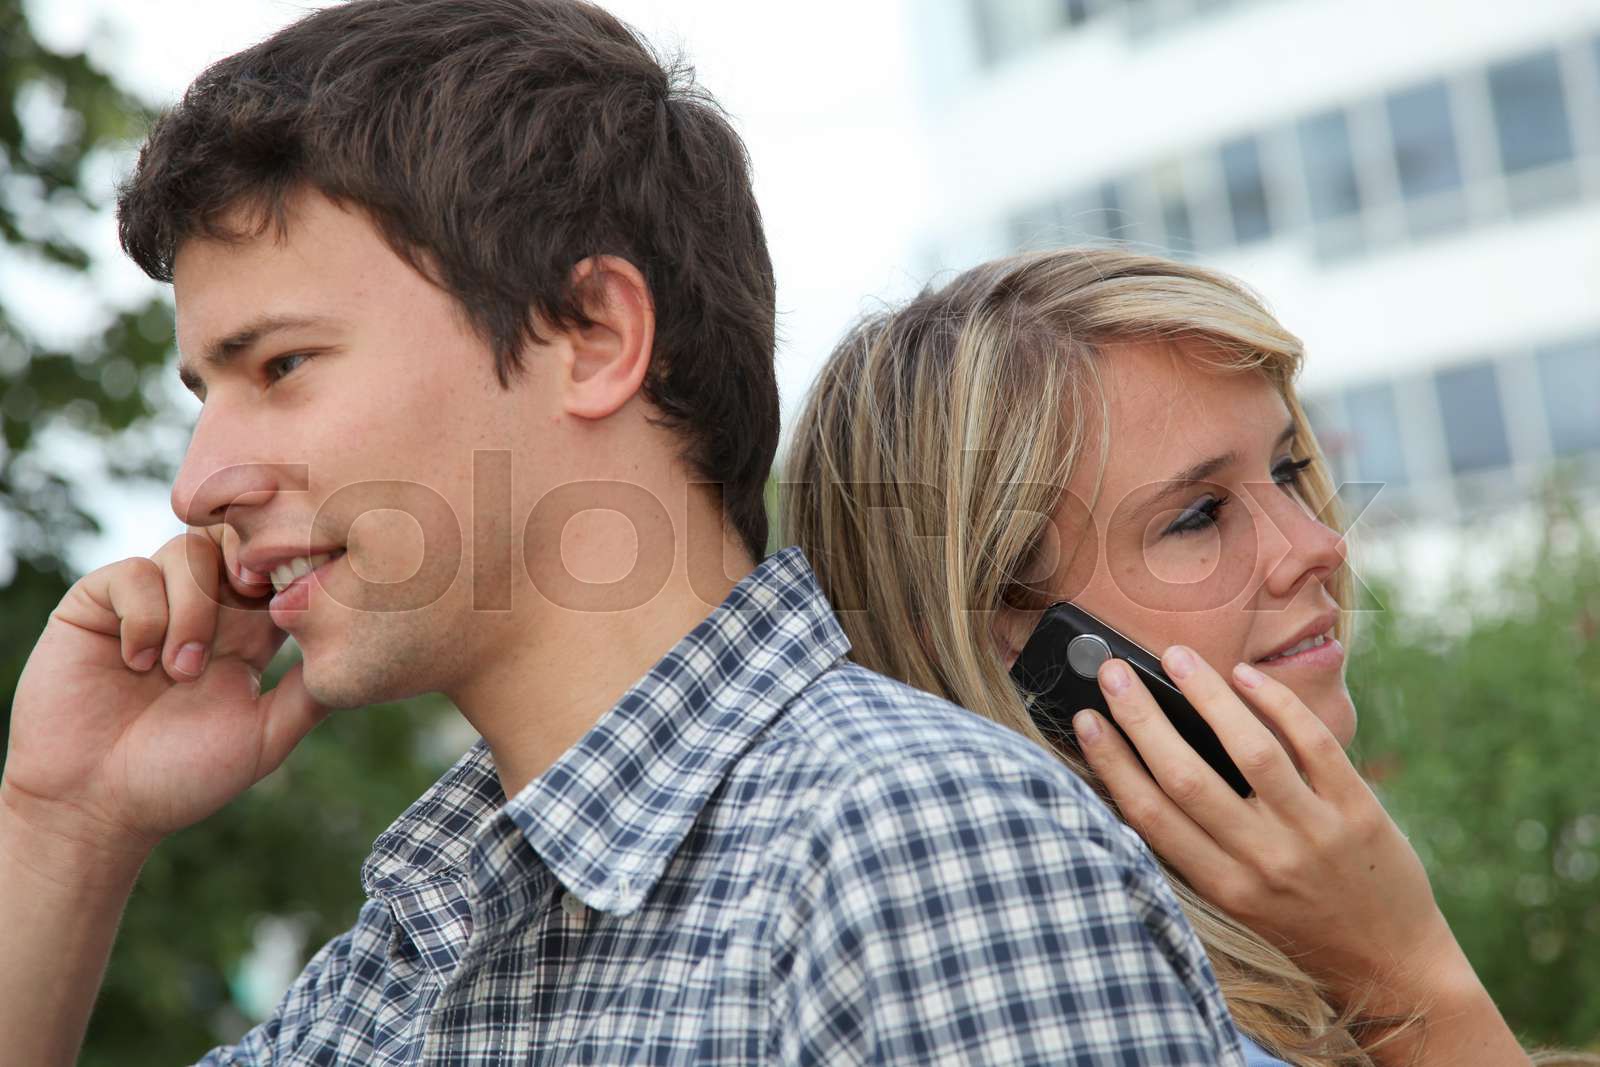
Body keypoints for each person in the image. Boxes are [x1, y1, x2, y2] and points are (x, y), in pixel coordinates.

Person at [0, 3, 1256, 1064]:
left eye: (278, 364)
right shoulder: (416, 940)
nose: (197, 482)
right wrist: (64, 824)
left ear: (594, 335)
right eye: (203, 393)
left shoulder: (914, 847)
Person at [781, 247, 1598, 1067]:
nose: (1317, 544)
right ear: (990, 632)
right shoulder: (1070, 1000)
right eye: (1199, 514)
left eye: (1288, 470)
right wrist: (1412, 981)